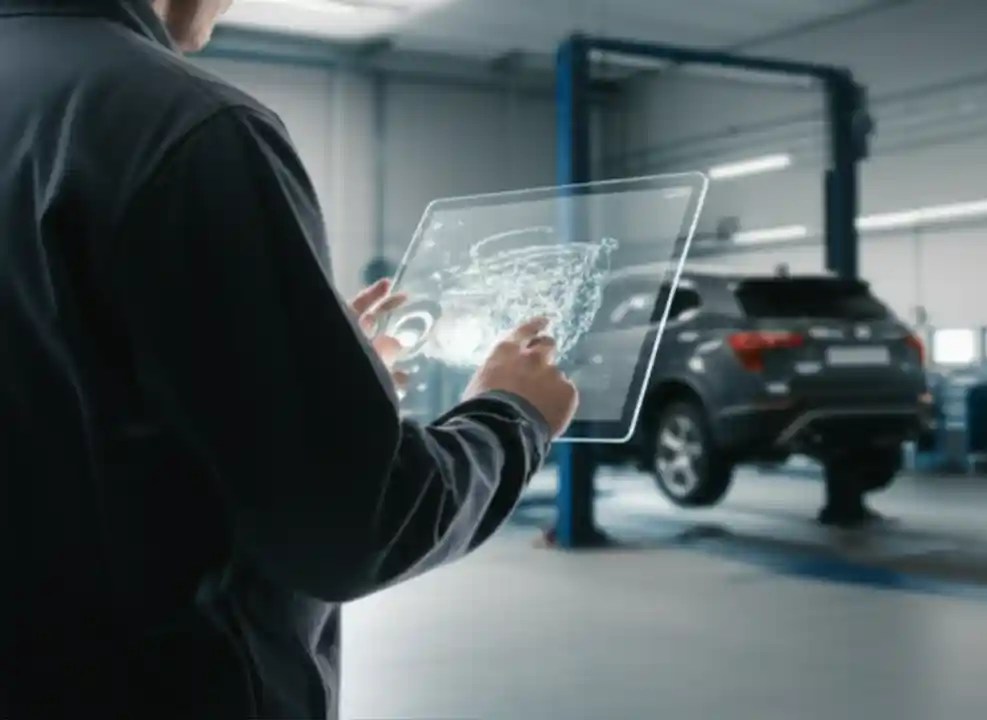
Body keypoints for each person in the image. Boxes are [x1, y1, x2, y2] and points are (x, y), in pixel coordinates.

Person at [0, 0, 578, 717]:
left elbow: (73, 374)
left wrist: (305, 365)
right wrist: (511, 414)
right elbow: (350, 527)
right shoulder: (187, 127)